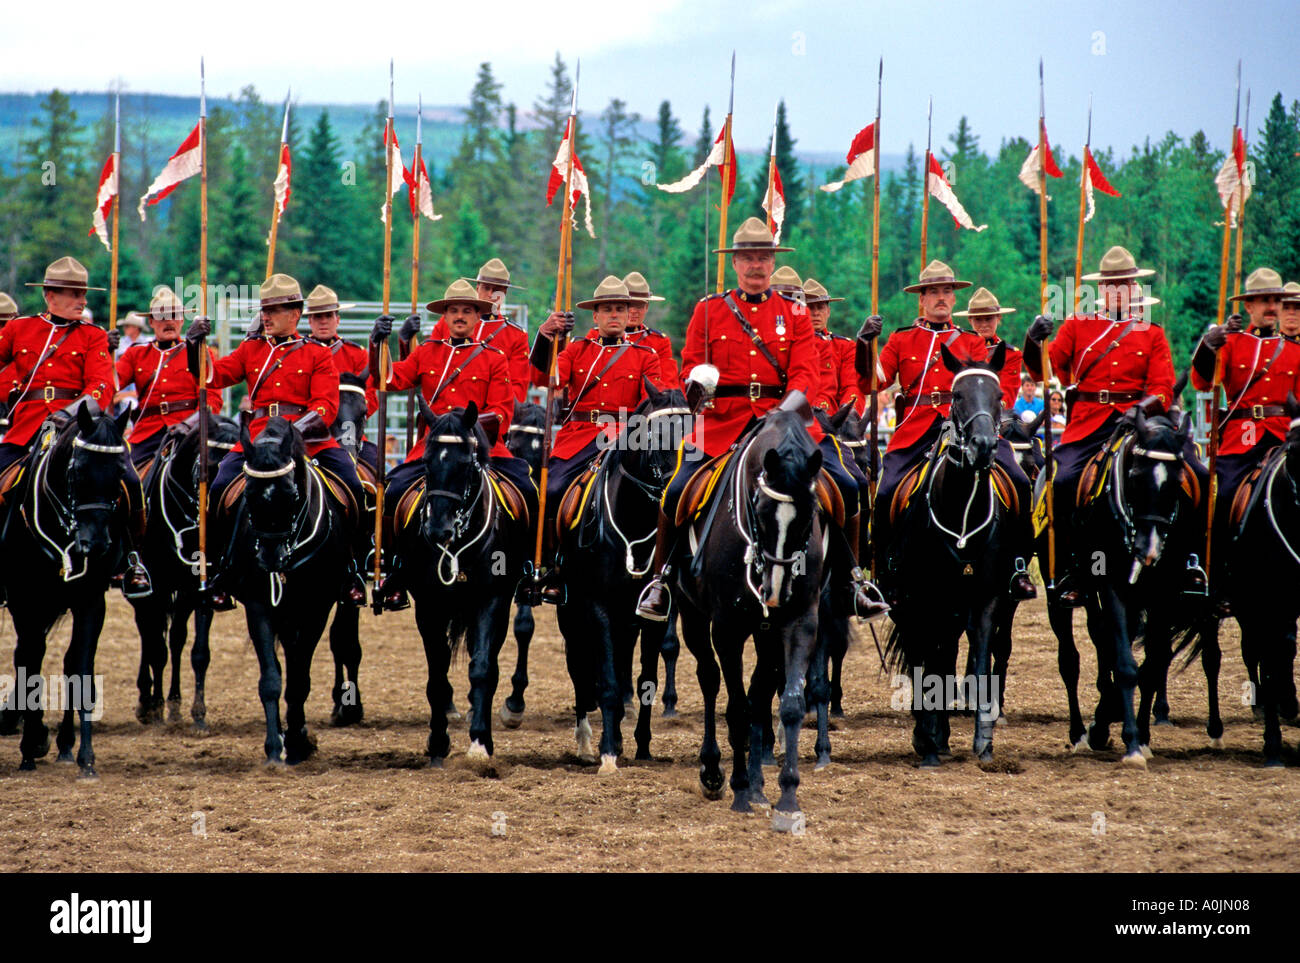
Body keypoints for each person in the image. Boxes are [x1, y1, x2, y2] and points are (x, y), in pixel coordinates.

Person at [636, 217, 886, 622]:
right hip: (723, 424)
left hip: (785, 423)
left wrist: (783, 412)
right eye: (748, 258)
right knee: (677, 488)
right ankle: (661, 580)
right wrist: (698, 386)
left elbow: (807, 373)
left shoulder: (796, 312)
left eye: (763, 258)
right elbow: (690, 366)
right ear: (735, 262)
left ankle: (856, 580)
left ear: (772, 263)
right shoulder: (709, 310)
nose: (756, 266)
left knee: (847, 484)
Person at [1024, 245, 1206, 606]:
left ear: (1135, 288)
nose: (1119, 289)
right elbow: (1043, 370)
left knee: (1194, 474)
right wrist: (1033, 339)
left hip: (1139, 424)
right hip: (1088, 425)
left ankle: (1191, 562)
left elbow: (1162, 388)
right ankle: (1071, 568)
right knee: (1060, 482)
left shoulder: (1151, 333)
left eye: (1126, 283)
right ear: (1101, 289)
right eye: (1111, 284)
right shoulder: (1077, 325)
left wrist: (1140, 409)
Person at [857, 261, 1035, 600]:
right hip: (916, 429)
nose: (941, 298)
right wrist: (865, 345)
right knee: (885, 492)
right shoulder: (901, 339)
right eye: (934, 291)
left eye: (947, 292)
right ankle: (882, 569)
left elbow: (988, 387)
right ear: (921, 298)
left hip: (966, 428)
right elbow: (873, 382)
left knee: (1019, 480)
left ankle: (1017, 567)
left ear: (954, 299)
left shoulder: (971, 341)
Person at [188, 273, 369, 606]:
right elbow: (212, 376)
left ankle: (354, 570)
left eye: (274, 309)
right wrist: (194, 346)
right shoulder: (251, 349)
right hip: (256, 440)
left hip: (307, 440)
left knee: (352, 485)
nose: (266, 316)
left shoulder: (317, 353)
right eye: (264, 309)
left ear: (295, 314)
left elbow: (325, 408)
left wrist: (290, 434)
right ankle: (220, 572)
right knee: (217, 488)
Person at [368, 279, 526, 611]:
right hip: (433, 449)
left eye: (467, 311)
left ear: (477, 317)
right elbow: (388, 379)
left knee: (526, 489)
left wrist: (468, 429)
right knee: (394, 492)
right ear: (445, 315)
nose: (459, 316)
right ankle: (396, 571)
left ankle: (524, 567)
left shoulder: (494, 358)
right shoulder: (426, 351)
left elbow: (502, 410)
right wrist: (377, 343)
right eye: (453, 310)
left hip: (479, 448)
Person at [0, 257, 151, 597]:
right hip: (26, 428)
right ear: (49, 295)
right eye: (73, 294)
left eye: (83, 293)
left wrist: (70, 415)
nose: (82, 300)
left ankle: (132, 560)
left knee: (129, 480)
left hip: (79, 429)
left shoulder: (93, 336)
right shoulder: (19, 330)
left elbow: (101, 385)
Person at [528, 275, 665, 605]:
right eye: (607, 309)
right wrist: (548, 337)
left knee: (659, 495)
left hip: (626, 440)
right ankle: (554, 566)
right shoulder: (575, 350)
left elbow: (654, 401)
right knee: (553, 491)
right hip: (581, 438)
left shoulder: (645, 356)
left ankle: (660, 571)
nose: (615, 315)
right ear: (596, 316)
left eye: (620, 308)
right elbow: (543, 377)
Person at [1191, 267, 1300, 608]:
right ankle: (1217, 576)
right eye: (1263, 300)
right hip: (1243, 440)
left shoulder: (1295, 350)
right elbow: (1203, 382)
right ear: (1248, 307)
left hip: (1285, 440)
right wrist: (1209, 346)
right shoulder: (1232, 343)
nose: (1271, 306)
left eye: (1275, 300)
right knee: (1219, 496)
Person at [115, 287, 221, 469]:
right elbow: (109, 383)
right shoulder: (136, 354)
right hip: (147, 432)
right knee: (120, 475)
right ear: (151, 321)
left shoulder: (199, 352)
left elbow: (212, 399)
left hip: (188, 432)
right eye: (162, 317)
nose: (169, 322)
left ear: (181, 320)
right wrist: (106, 351)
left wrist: (191, 425)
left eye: (174, 316)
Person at [419, 257, 531, 405]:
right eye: (486, 288)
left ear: (505, 293)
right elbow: (426, 364)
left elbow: (517, 389)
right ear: (477, 288)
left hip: (486, 417)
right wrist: (406, 341)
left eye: (497, 290)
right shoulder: (447, 324)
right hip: (445, 411)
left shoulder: (516, 335)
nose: (491, 295)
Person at [302, 284, 379, 469]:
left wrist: (350, 413)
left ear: (338, 319)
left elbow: (371, 399)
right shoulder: (299, 352)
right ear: (310, 321)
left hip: (348, 431)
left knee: (375, 467)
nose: (323, 322)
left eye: (328, 316)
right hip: (308, 430)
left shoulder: (356, 353)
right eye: (318, 316)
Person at [804, 278, 860, 413]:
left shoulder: (844, 346)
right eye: (810, 307)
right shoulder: (792, 343)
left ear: (828, 311)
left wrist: (849, 411)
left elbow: (851, 385)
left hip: (831, 417)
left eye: (820, 307)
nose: (816, 313)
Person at [621, 271, 680, 389]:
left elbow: (668, 383)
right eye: (629, 305)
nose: (633, 311)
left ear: (646, 307)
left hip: (647, 405)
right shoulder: (598, 336)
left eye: (639, 305)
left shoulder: (659, 342)